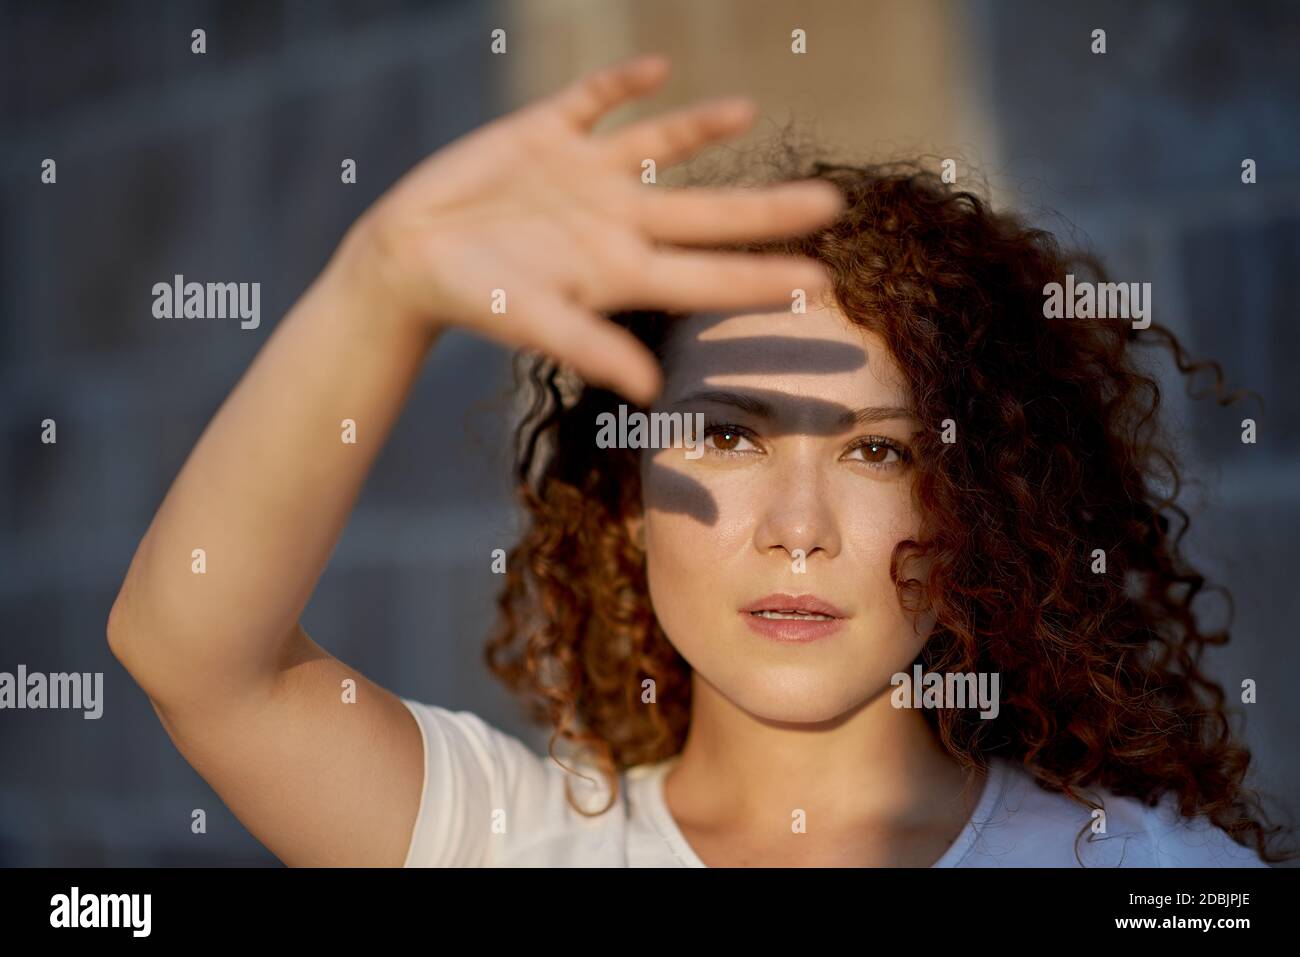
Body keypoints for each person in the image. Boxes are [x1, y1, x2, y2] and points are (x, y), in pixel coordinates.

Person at [108, 53, 1289, 867]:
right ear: (625, 496)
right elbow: (197, 658)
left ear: (978, 508)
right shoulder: (509, 845)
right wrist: (382, 285)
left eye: (877, 448)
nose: (797, 526)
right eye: (728, 435)